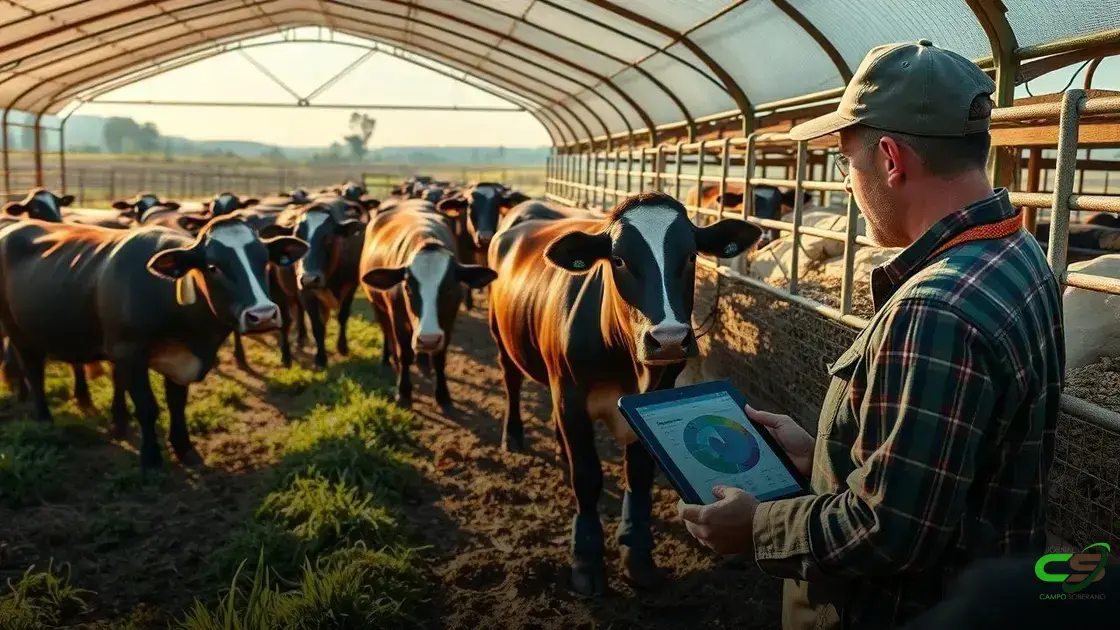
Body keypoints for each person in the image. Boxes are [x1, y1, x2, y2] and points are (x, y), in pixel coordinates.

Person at [677, 39, 1065, 629]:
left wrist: (756, 527)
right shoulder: (1017, 253)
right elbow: (950, 468)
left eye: (846, 161)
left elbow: (890, 532)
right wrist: (821, 457)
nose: (850, 182)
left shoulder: (935, 311)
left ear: (889, 157)